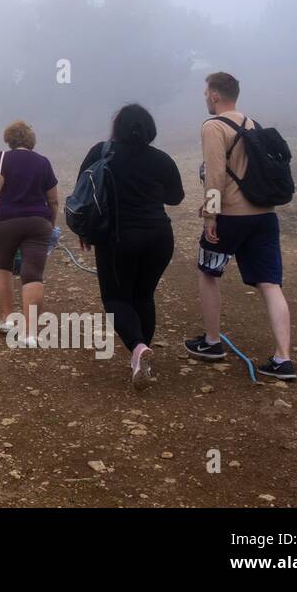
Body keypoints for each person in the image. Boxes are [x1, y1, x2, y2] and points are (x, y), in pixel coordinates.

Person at [185, 72, 296, 380]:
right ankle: (283, 359)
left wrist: (210, 214)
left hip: (231, 216)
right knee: (270, 283)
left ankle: (212, 342)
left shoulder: (213, 126)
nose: (205, 97)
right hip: (264, 215)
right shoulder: (253, 124)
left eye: (206, 92)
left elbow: (215, 176)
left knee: (208, 272)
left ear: (215, 95)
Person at [78, 103, 184, 389]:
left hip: (117, 238)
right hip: (159, 237)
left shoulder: (102, 152)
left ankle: (137, 348)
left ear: (117, 128)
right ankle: (140, 358)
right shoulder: (161, 159)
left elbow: (83, 194)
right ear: (149, 129)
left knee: (115, 298)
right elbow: (176, 197)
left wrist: (84, 230)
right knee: (143, 295)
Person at [0, 121, 58, 346]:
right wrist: (50, 223)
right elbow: (53, 199)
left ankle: (8, 319)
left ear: (9, 139)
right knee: (33, 274)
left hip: (7, 221)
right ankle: (30, 333)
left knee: (2, 266)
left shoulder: (4, 159)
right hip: (38, 222)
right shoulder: (43, 162)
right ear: (30, 139)